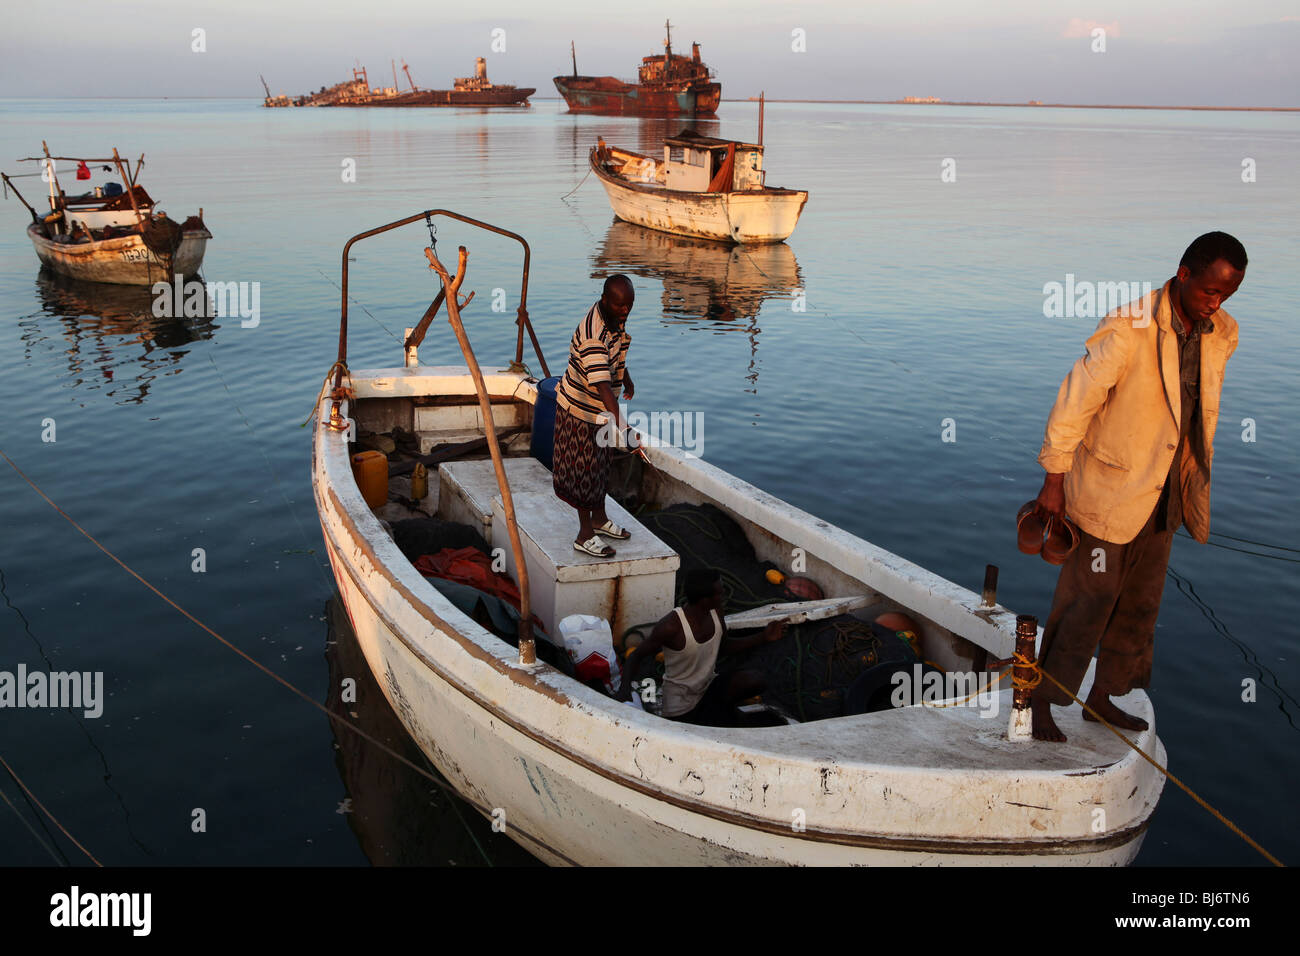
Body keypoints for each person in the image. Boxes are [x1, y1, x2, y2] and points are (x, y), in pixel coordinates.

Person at [1030, 232, 1246, 742]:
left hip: (1167, 494)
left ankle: (1102, 698)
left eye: (1227, 294)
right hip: (1109, 491)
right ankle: (1043, 700)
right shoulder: (1128, 328)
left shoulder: (1223, 331)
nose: (1215, 303)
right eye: (1209, 291)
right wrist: (1053, 482)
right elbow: (1074, 401)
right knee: (1088, 599)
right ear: (1184, 274)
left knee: (1139, 606)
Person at [617, 568, 784, 725]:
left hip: (708, 688)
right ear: (705, 599)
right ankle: (722, 717)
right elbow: (636, 656)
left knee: (755, 680)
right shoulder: (671, 626)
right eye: (720, 592)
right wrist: (624, 691)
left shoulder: (715, 611)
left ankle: (723, 714)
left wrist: (763, 637)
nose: (724, 594)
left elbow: (724, 647)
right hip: (680, 706)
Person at [553, 274, 638, 557]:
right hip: (579, 409)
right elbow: (602, 386)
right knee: (584, 471)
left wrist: (626, 378)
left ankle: (600, 519)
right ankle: (584, 534)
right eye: (620, 306)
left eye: (629, 304)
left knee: (602, 464)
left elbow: (612, 358)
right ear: (605, 300)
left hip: (600, 410)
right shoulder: (592, 335)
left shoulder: (613, 314)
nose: (625, 310)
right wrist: (623, 426)